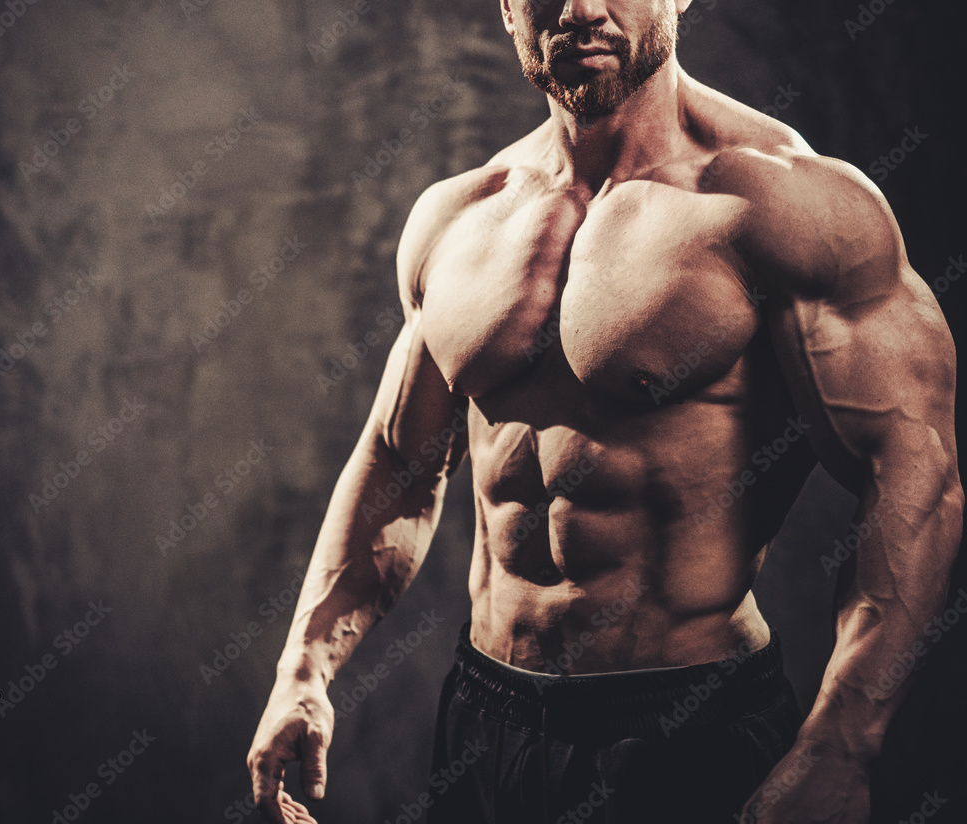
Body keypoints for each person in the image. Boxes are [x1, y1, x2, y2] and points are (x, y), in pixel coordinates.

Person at [247, 1, 963, 822]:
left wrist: (843, 744)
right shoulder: (459, 216)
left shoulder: (782, 203)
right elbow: (399, 460)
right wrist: (302, 668)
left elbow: (914, 476)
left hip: (686, 732)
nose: (583, 7)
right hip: (484, 721)